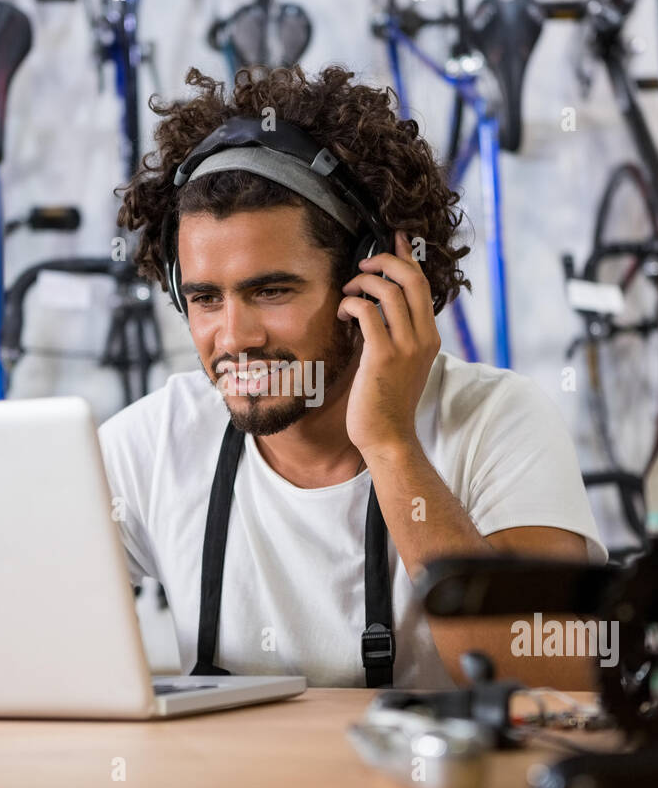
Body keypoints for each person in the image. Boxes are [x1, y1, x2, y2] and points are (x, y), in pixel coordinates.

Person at [100, 65, 606, 689]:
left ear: (375, 279)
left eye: (272, 290)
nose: (233, 338)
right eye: (206, 299)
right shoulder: (153, 442)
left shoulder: (496, 422)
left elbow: (560, 684)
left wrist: (390, 442)